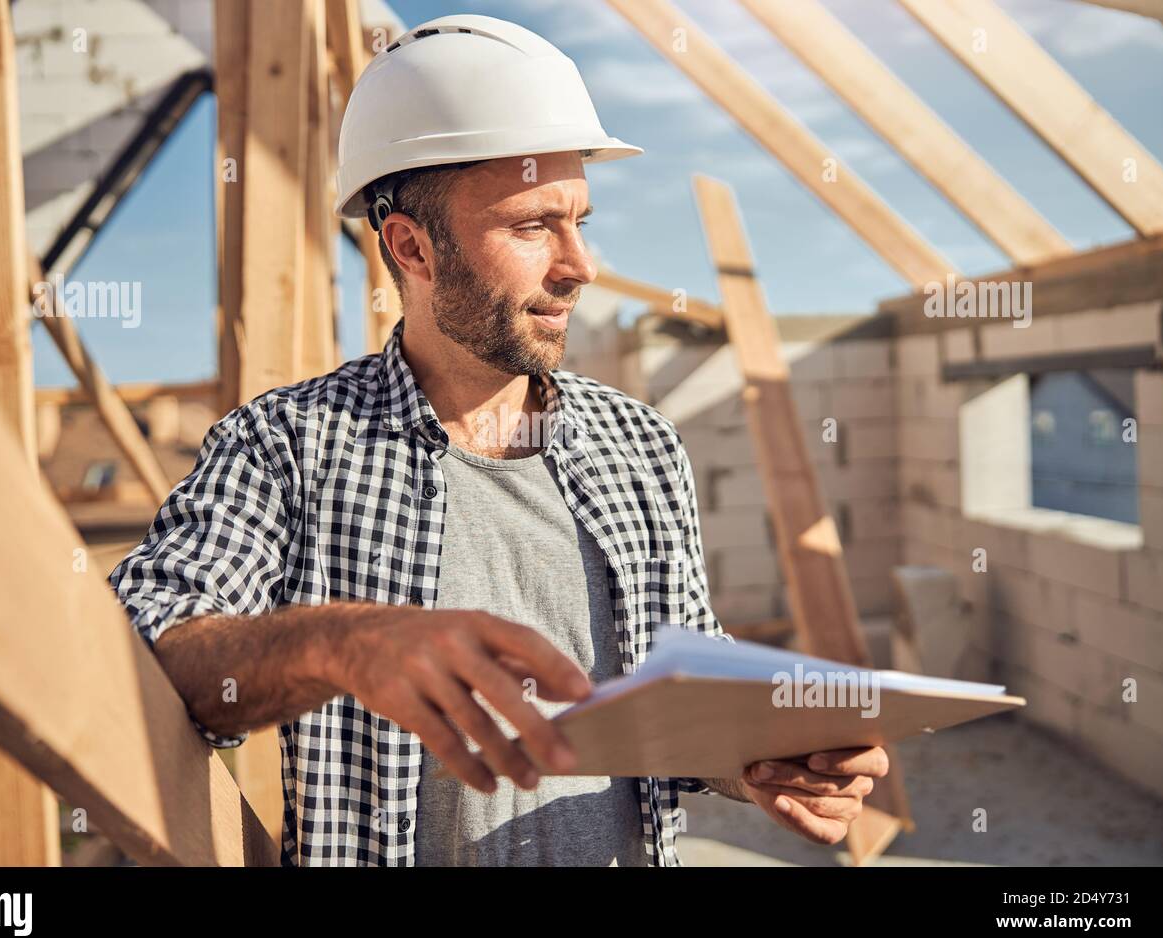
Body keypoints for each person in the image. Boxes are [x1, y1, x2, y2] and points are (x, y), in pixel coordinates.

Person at [110, 13, 886, 867]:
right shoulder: (287, 448)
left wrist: (764, 757)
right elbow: (138, 650)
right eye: (531, 226)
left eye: (580, 220)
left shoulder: (641, 446)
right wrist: (342, 641)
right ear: (411, 246)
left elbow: (674, 694)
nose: (580, 264)